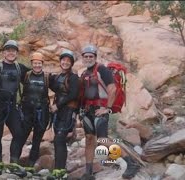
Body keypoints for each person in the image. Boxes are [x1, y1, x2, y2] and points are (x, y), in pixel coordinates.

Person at [79, 44, 140, 180]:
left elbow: (112, 89)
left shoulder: (102, 69)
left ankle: (131, 163)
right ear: (82, 58)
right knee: (89, 139)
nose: (88, 58)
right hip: (88, 111)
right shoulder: (85, 73)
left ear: (95, 57)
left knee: (102, 139)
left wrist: (107, 108)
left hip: (100, 110)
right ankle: (88, 173)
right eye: (86, 56)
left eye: (91, 56)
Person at [0, 40, 30, 177]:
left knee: (19, 133)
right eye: (8, 50)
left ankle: (13, 162)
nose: (11, 53)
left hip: (12, 107)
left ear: (17, 53)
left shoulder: (20, 68)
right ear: (4, 53)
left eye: (14, 51)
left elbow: (34, 76)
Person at [47, 49, 79, 179]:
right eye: (63, 60)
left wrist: (57, 105)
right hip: (58, 112)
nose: (65, 62)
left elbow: (73, 95)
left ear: (71, 63)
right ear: (60, 61)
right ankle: (58, 170)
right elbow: (54, 88)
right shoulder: (59, 76)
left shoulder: (73, 77)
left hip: (68, 112)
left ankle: (60, 170)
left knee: (59, 139)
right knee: (58, 141)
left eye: (68, 61)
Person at [18, 52, 50, 172]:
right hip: (27, 112)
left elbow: (61, 88)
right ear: (31, 64)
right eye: (35, 63)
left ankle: (31, 166)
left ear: (42, 64)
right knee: (21, 137)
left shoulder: (47, 77)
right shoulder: (26, 75)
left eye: (39, 63)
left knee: (36, 140)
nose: (37, 65)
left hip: (42, 113)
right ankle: (14, 162)